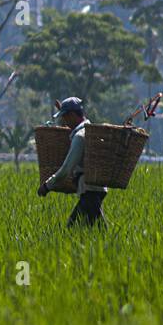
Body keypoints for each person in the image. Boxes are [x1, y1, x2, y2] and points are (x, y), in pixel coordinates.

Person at [37, 96, 107, 228]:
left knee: (71, 231)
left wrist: (47, 186)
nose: (64, 120)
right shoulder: (90, 130)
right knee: (98, 231)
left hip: (89, 192)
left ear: (73, 115)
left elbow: (66, 169)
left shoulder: (80, 137)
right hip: (96, 190)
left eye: (65, 116)